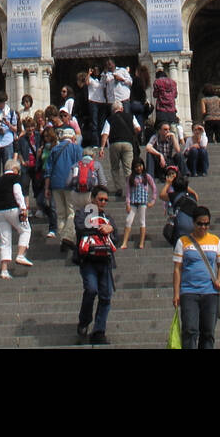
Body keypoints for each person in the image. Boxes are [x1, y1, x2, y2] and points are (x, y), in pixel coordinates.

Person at [172, 203, 220, 349]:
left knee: (208, 332)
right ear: (193, 222)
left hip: (210, 292)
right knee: (190, 330)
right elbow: (177, 269)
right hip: (189, 292)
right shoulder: (182, 242)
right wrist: (176, 293)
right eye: (200, 224)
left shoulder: (215, 240)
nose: (203, 227)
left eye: (206, 224)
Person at [75, 185, 117, 344]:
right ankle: (84, 321)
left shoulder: (109, 218)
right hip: (88, 260)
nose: (103, 202)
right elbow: (80, 228)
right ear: (93, 199)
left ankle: (99, 331)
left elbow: (116, 239)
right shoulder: (82, 214)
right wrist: (101, 228)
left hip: (105, 261)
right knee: (91, 290)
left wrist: (111, 229)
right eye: (100, 199)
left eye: (106, 200)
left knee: (106, 296)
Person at [0, 158, 32, 279]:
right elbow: (17, 193)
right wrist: (23, 208)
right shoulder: (15, 178)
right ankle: (20, 255)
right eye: (18, 170)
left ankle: (4, 270)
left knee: (5, 240)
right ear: (14, 169)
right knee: (25, 230)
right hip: (12, 208)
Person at [45, 126, 83, 248]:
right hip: (70, 183)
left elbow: (48, 170)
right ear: (73, 137)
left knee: (60, 213)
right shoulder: (76, 149)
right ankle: (68, 236)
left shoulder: (55, 149)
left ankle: (62, 239)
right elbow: (80, 166)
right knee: (71, 212)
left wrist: (47, 188)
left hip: (55, 183)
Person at [100, 103, 139, 193]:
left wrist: (102, 148)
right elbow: (138, 128)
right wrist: (131, 134)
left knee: (115, 168)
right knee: (128, 168)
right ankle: (131, 188)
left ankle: (118, 188)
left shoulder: (110, 119)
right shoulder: (130, 116)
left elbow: (105, 134)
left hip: (114, 144)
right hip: (127, 143)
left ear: (113, 110)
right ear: (122, 108)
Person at [121, 158, 155, 250]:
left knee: (142, 221)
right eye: (136, 167)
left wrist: (152, 201)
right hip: (133, 202)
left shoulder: (147, 176)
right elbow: (128, 192)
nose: (139, 168)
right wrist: (127, 204)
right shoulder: (130, 178)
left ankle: (141, 242)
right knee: (128, 220)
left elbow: (154, 188)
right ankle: (124, 242)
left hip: (143, 202)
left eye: (140, 166)